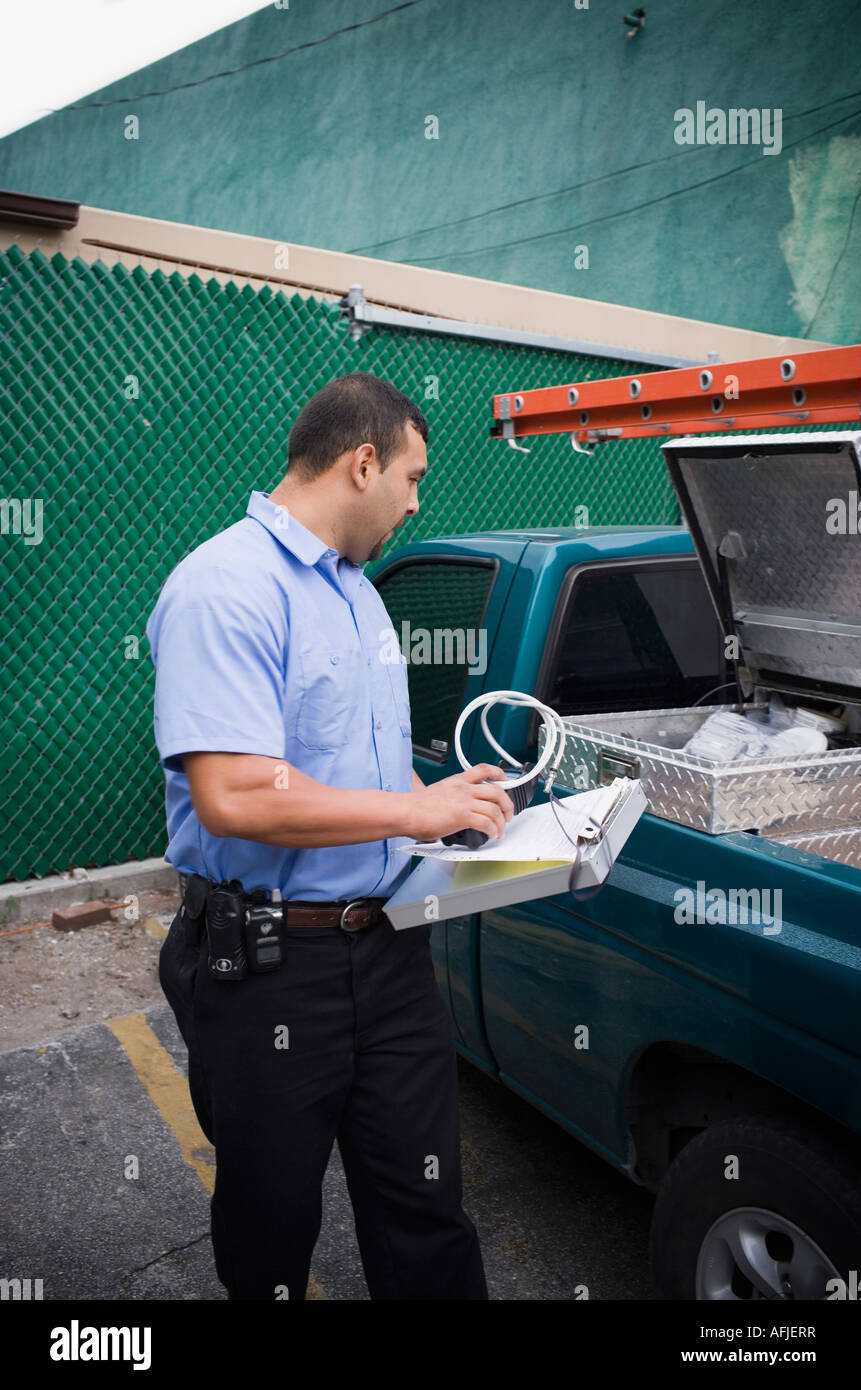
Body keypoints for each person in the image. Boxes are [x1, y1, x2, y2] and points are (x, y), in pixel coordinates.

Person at [146, 370, 514, 1300]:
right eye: (413, 478)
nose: (415, 502)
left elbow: (347, 773)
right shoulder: (224, 588)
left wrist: (441, 799)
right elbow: (234, 794)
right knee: (271, 1231)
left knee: (426, 1214)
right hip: (272, 970)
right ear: (362, 463)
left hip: (389, 955)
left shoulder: (357, 594)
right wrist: (412, 813)